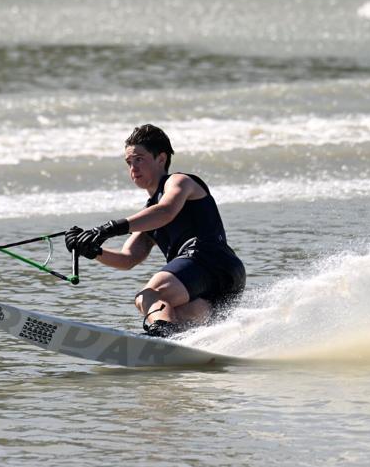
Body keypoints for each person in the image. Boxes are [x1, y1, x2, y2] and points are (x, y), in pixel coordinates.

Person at [65, 124, 245, 337]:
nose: (133, 168)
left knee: (148, 296)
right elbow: (127, 258)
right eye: (129, 162)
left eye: (139, 159)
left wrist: (109, 228)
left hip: (207, 260)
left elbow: (166, 211)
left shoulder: (180, 181)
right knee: (182, 315)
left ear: (161, 158)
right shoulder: (148, 215)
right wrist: (93, 250)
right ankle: (181, 345)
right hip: (221, 282)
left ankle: (162, 336)